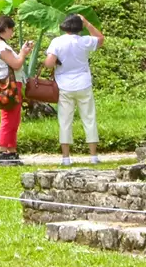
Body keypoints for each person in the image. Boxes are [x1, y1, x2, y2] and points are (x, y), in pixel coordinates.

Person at [44, 13, 105, 165]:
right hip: (83, 84)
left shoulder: (57, 42)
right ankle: (93, 156)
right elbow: (101, 39)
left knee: (65, 121)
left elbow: (49, 63)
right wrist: (87, 23)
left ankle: (66, 158)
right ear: (79, 27)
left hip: (64, 86)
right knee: (89, 118)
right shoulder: (85, 41)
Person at [0, 16, 34, 165]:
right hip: (10, 86)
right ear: (6, 29)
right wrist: (23, 53)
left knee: (14, 118)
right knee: (9, 118)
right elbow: (16, 64)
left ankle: (11, 150)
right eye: (11, 29)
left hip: (12, 85)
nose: (12, 32)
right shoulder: (2, 47)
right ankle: (3, 150)